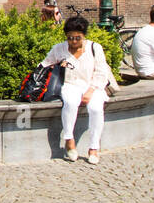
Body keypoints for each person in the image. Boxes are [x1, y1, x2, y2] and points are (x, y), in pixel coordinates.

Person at [42, 15, 114, 163]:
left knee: (95, 108)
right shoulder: (59, 49)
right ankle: (69, 139)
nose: (74, 42)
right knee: (70, 102)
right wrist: (54, 67)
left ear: (84, 36)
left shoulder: (94, 48)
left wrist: (91, 90)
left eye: (77, 38)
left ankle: (94, 148)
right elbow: (45, 64)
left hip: (92, 85)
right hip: (70, 84)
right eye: (70, 38)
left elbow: (101, 72)